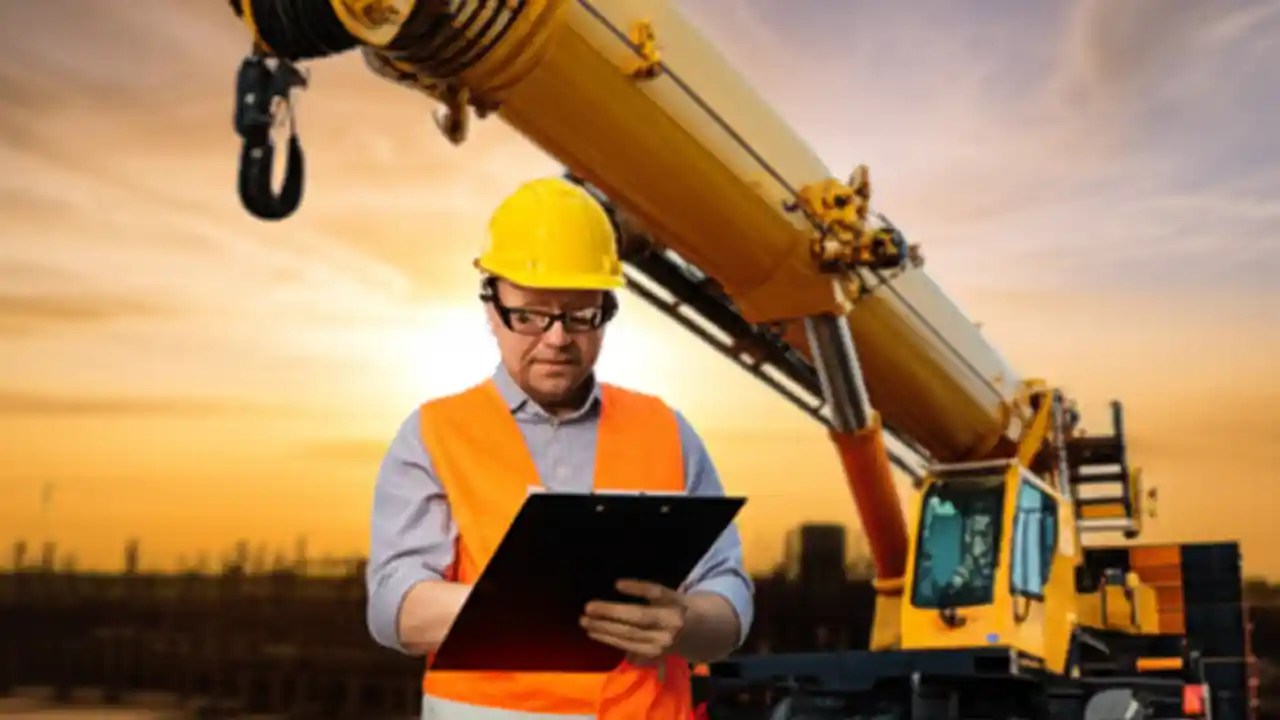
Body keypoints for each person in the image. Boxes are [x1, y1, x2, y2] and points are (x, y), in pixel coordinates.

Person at [364, 176, 755, 719]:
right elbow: (393, 608)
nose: (556, 338)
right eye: (529, 315)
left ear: (607, 310)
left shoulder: (666, 430)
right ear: (491, 307)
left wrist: (685, 623)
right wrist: (532, 607)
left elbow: (728, 595)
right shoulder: (433, 433)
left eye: (579, 316)